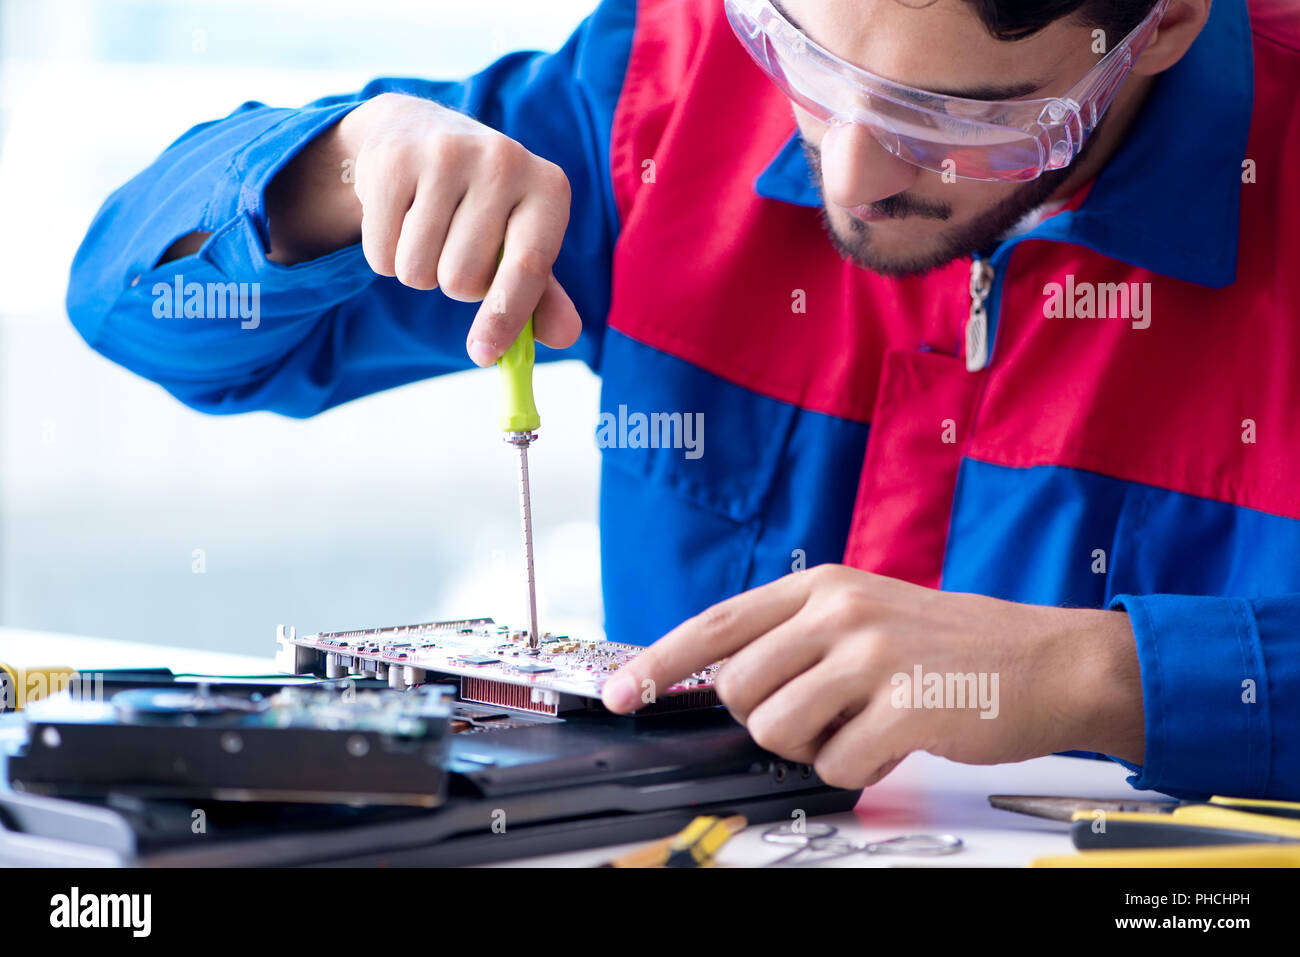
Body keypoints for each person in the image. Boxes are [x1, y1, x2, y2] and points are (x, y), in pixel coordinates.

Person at [67, 0, 1300, 799]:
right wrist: (326, 179)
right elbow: (140, 316)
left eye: (957, 118)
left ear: (1169, 21)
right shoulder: (661, 91)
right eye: (803, 63)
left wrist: (1107, 677)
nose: (853, 178)